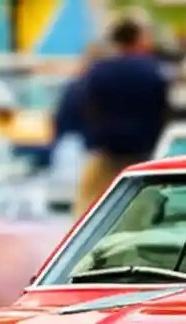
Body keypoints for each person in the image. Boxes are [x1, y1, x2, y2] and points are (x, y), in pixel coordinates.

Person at [72, 19, 169, 218]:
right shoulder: (152, 71)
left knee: (88, 207)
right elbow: (161, 111)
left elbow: (88, 108)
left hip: (106, 152)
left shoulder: (100, 71)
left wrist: (95, 138)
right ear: (138, 39)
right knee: (143, 210)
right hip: (142, 153)